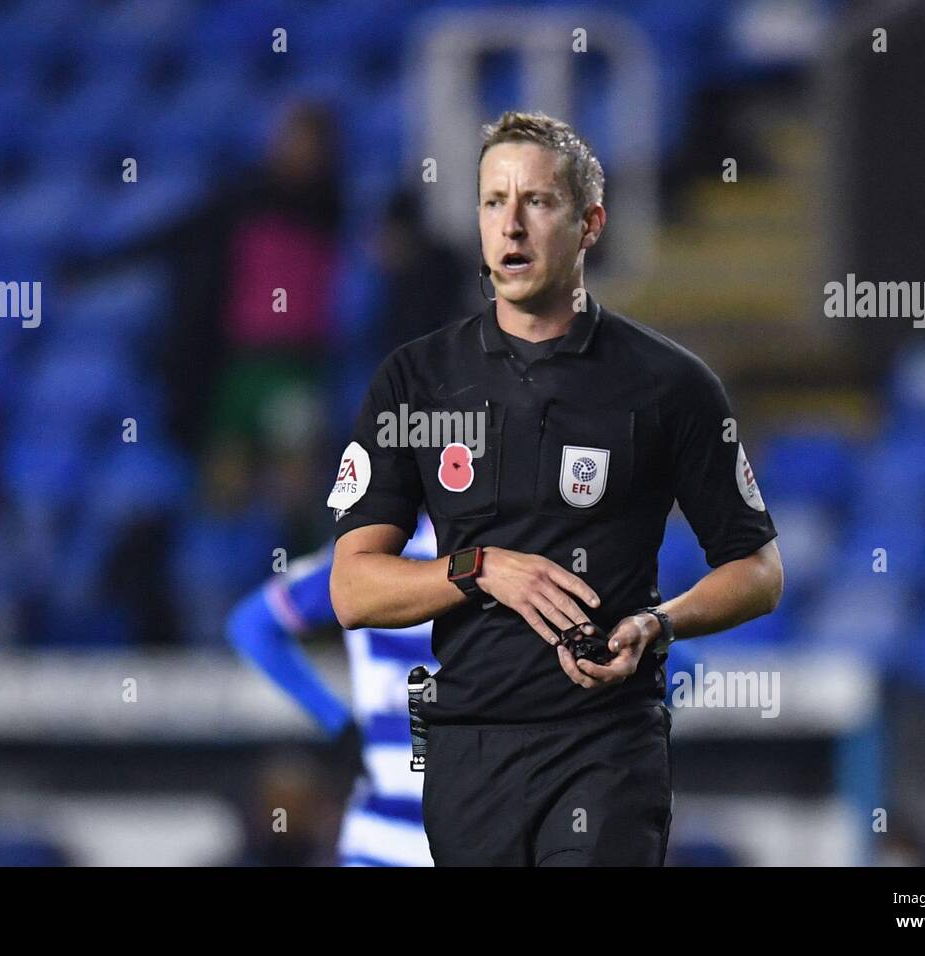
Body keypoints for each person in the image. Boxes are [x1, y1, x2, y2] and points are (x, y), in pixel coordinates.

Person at [327, 111, 784, 866]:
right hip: (469, 748)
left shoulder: (669, 385)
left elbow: (758, 571)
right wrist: (480, 569)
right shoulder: (417, 381)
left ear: (589, 222)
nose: (511, 226)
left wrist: (658, 624)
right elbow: (353, 589)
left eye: (537, 202)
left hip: (606, 738)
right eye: (492, 202)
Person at [225, 512, 438, 866]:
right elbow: (252, 627)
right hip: (425, 833)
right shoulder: (516, 555)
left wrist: (341, 728)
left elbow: (251, 626)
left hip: (388, 839)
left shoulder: (370, 551)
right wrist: (342, 727)